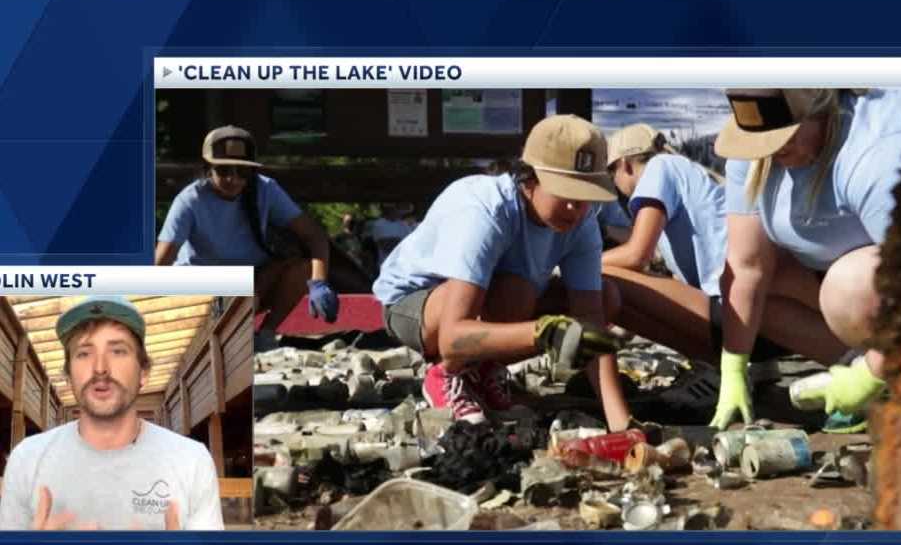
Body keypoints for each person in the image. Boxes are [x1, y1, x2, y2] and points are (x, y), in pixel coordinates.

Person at [372, 115, 633, 431]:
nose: (575, 210)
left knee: (606, 297)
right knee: (514, 291)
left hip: (495, 302)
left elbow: (591, 318)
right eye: (566, 195)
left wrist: (621, 423)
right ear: (530, 178)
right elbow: (453, 336)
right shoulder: (485, 209)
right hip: (417, 306)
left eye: (584, 199)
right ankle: (446, 374)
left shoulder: (582, 221)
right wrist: (542, 333)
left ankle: (482, 371)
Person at [710, 88, 901, 429]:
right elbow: (747, 266)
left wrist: (869, 375)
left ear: (818, 108)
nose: (772, 149)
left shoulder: (878, 154)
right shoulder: (756, 152)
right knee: (762, 295)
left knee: (850, 287)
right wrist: (732, 368)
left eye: (783, 136)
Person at [601, 124, 820, 373]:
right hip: (763, 315)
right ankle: (749, 367)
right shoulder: (687, 175)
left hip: (736, 314)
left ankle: (713, 368)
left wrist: (575, 267)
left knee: (607, 278)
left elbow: (637, 255)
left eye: (611, 174)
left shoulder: (658, 168)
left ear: (625, 165)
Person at [0, 297, 224, 530]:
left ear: (144, 373)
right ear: (68, 377)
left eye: (118, 351)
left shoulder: (192, 461)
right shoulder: (27, 458)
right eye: (84, 353)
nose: (100, 368)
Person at [155, 126, 339, 350]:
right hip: (202, 288)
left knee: (301, 268)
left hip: (255, 283)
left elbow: (314, 235)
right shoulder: (190, 200)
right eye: (223, 171)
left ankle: (265, 334)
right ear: (207, 169)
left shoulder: (266, 189)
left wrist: (319, 282)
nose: (233, 179)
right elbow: (163, 258)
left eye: (242, 172)